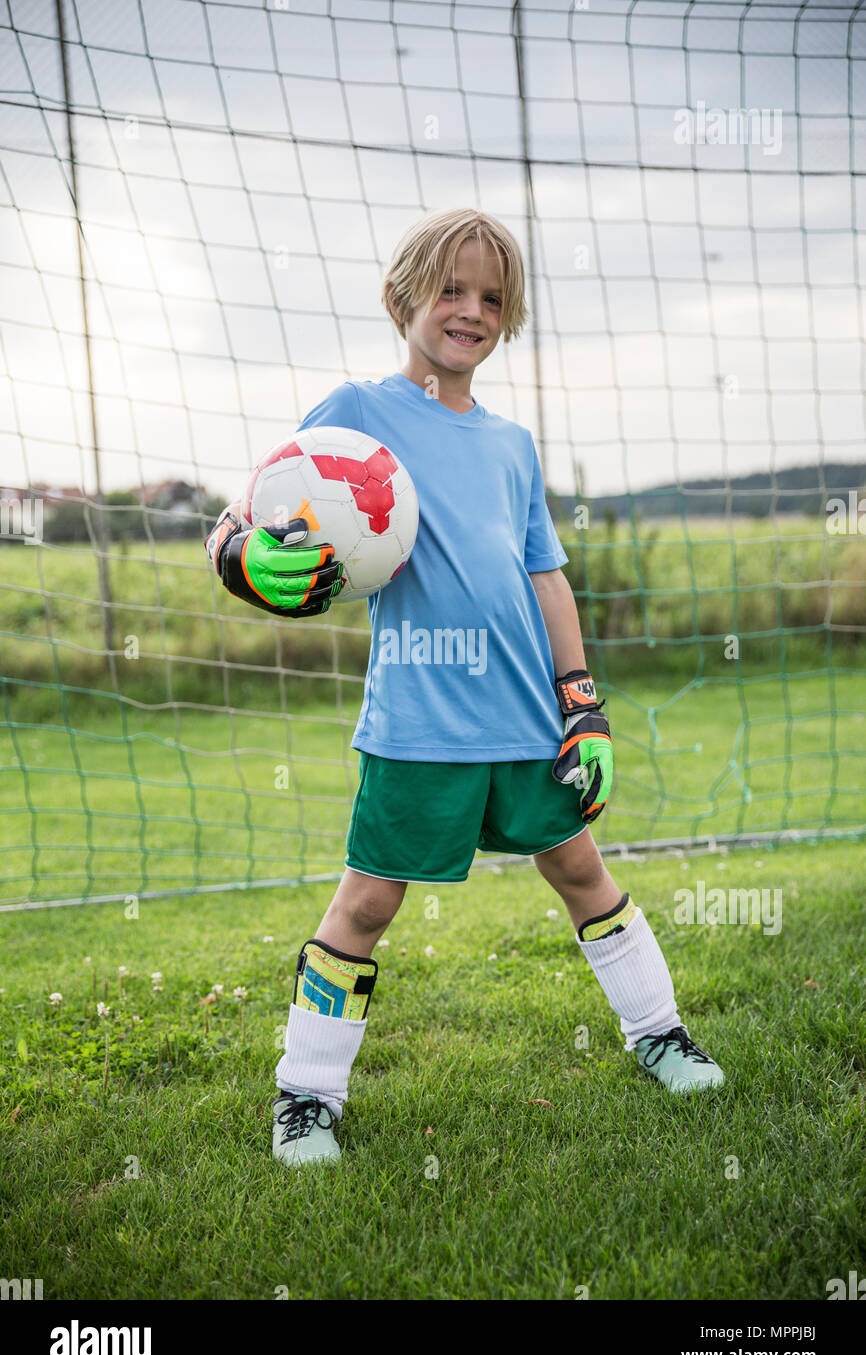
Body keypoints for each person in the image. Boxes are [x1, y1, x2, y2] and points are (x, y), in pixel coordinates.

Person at [205, 208, 724, 1169]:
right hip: (419, 719)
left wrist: (583, 700)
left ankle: (660, 1034)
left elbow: (544, 576)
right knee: (367, 905)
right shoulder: (355, 413)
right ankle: (305, 1097)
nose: (470, 310)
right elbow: (251, 509)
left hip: (528, 714)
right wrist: (237, 555)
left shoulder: (512, 445)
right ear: (403, 296)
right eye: (450, 288)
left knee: (581, 872)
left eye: (491, 296)